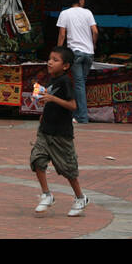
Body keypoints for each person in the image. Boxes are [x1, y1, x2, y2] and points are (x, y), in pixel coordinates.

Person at [31, 45, 88, 217]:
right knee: (37, 160)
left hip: (61, 134)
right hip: (45, 131)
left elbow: (72, 105)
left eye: (55, 60)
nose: (50, 62)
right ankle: (47, 195)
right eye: (49, 59)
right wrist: (45, 106)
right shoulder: (52, 80)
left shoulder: (65, 81)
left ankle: (80, 197)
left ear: (65, 66)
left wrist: (52, 98)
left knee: (68, 169)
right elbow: (52, 102)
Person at [56, 0, 98, 124]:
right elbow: (95, 31)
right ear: (80, 0)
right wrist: (93, 44)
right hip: (89, 53)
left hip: (75, 53)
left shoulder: (65, 13)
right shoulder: (88, 13)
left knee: (79, 84)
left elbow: (62, 34)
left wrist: (58, 52)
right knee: (81, 84)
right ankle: (76, 114)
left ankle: (82, 117)